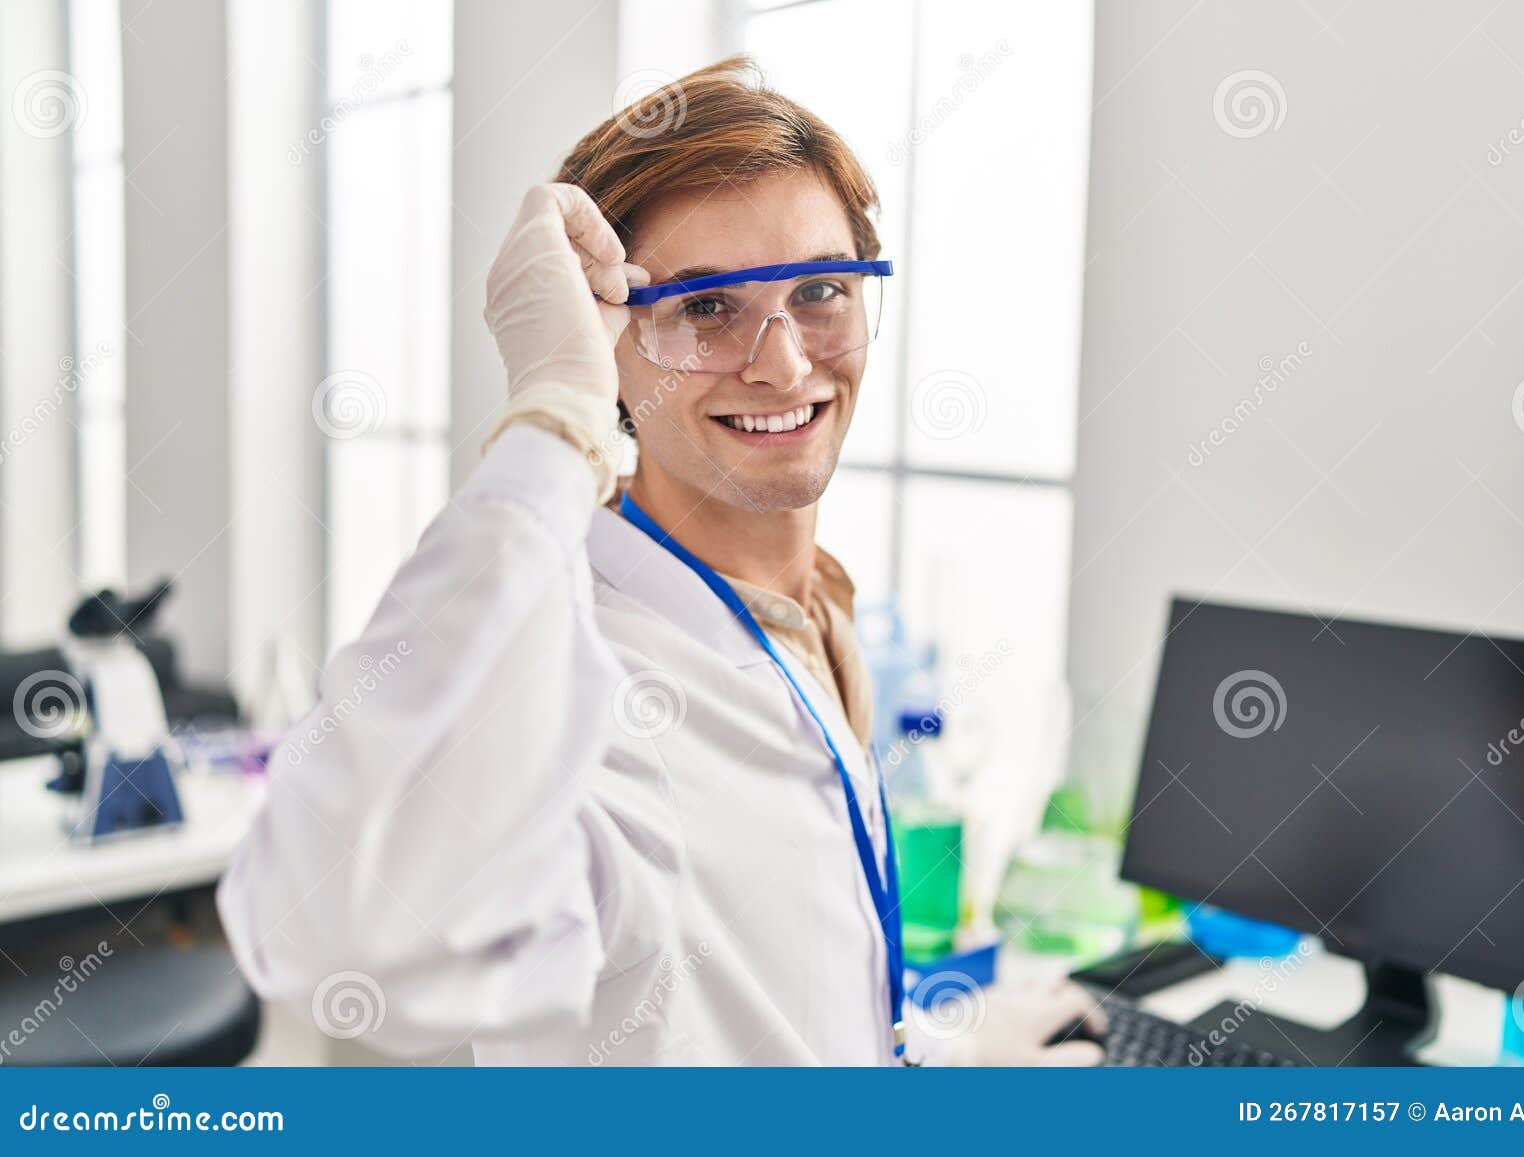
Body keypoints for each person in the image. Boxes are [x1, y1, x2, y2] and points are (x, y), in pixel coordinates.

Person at [220, 57, 1104, 1067]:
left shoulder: (810, 615)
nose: (780, 363)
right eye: (703, 308)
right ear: (608, 342)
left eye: (820, 289)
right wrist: (554, 414)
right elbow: (340, 930)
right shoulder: (594, 696)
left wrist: (941, 1048)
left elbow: (774, 1005)